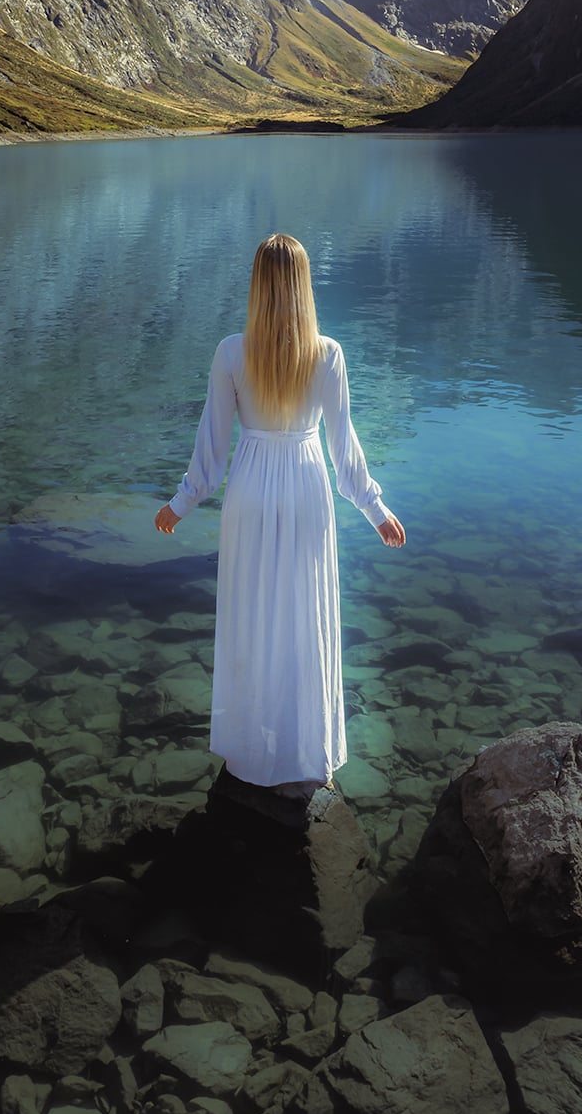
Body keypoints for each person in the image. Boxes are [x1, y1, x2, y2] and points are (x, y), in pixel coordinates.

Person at [154, 233, 406, 800]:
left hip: (249, 486)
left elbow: (212, 449)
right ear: (303, 286)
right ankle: (306, 749)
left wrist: (181, 503)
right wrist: (376, 508)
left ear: (256, 285)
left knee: (251, 614)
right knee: (305, 612)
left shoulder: (230, 353)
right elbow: (346, 451)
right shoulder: (329, 353)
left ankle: (250, 752)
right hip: (306, 487)